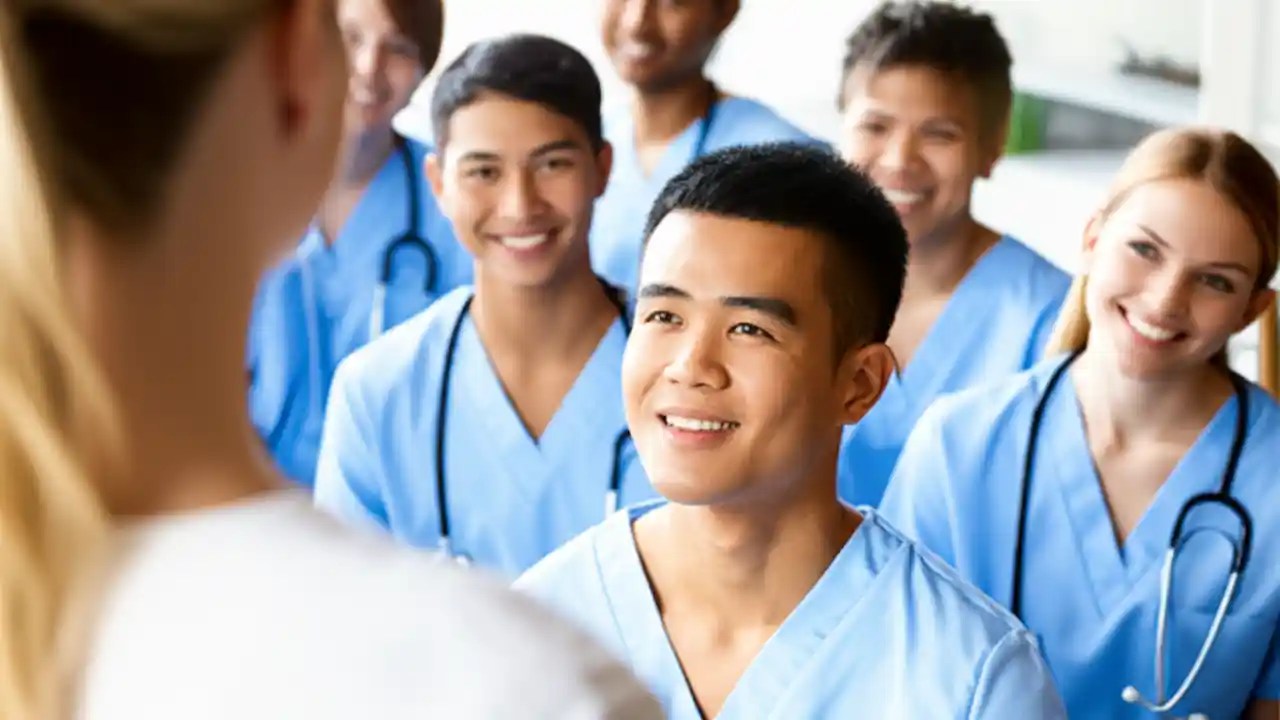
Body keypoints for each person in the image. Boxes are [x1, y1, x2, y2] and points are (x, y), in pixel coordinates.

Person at [0, 2, 663, 718]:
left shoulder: (53, 625)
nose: (519, 201)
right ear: (301, 62)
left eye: (551, 164)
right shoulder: (521, 684)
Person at [518, 143, 1067, 718]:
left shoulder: (971, 680)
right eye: (665, 316)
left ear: (859, 383)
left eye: (750, 329)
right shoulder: (539, 623)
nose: (691, 366)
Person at [880, 128, 1280, 719]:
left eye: (1215, 280)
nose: (1167, 300)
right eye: (1144, 249)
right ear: (1092, 239)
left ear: (1251, 309)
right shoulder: (958, 446)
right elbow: (897, 682)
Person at [314, 34, 657, 578]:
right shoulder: (378, 393)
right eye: (483, 171)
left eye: (552, 165)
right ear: (438, 182)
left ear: (602, 168)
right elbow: (344, 621)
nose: (520, 205)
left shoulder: (682, 373)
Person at [834, 1, 1070, 507]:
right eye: (875, 126)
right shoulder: (794, 284)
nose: (900, 161)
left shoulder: (1048, 317)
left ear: (993, 144)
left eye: (939, 135)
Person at [247, 0, 472, 486]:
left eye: (398, 48)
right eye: (351, 39)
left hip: (393, 514)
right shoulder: (236, 189)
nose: (369, 68)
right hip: (247, 509)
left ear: (422, 68)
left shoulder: (460, 201)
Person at [590, 0, 816, 295]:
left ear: (725, 11)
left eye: (671, 3)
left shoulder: (785, 161)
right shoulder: (581, 146)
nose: (637, 22)